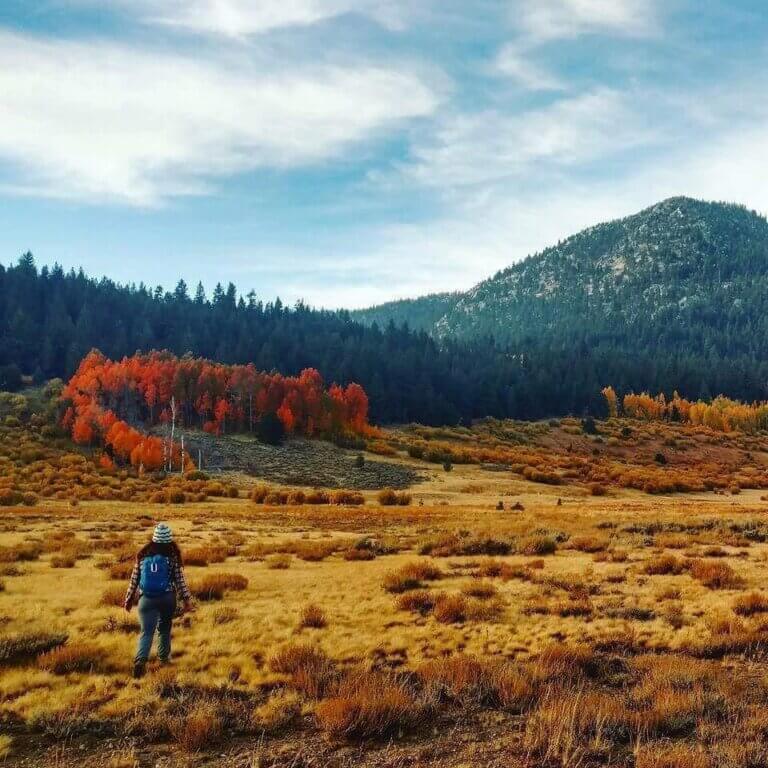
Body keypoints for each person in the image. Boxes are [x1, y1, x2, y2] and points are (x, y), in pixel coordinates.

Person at [124, 522, 193, 678]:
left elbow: (134, 580)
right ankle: (163, 660)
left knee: (146, 632)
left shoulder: (142, 557)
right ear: (169, 540)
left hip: (146, 599)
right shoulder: (172, 557)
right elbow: (180, 581)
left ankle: (140, 662)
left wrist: (128, 599)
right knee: (164, 629)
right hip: (167, 598)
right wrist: (187, 600)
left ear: (154, 539)